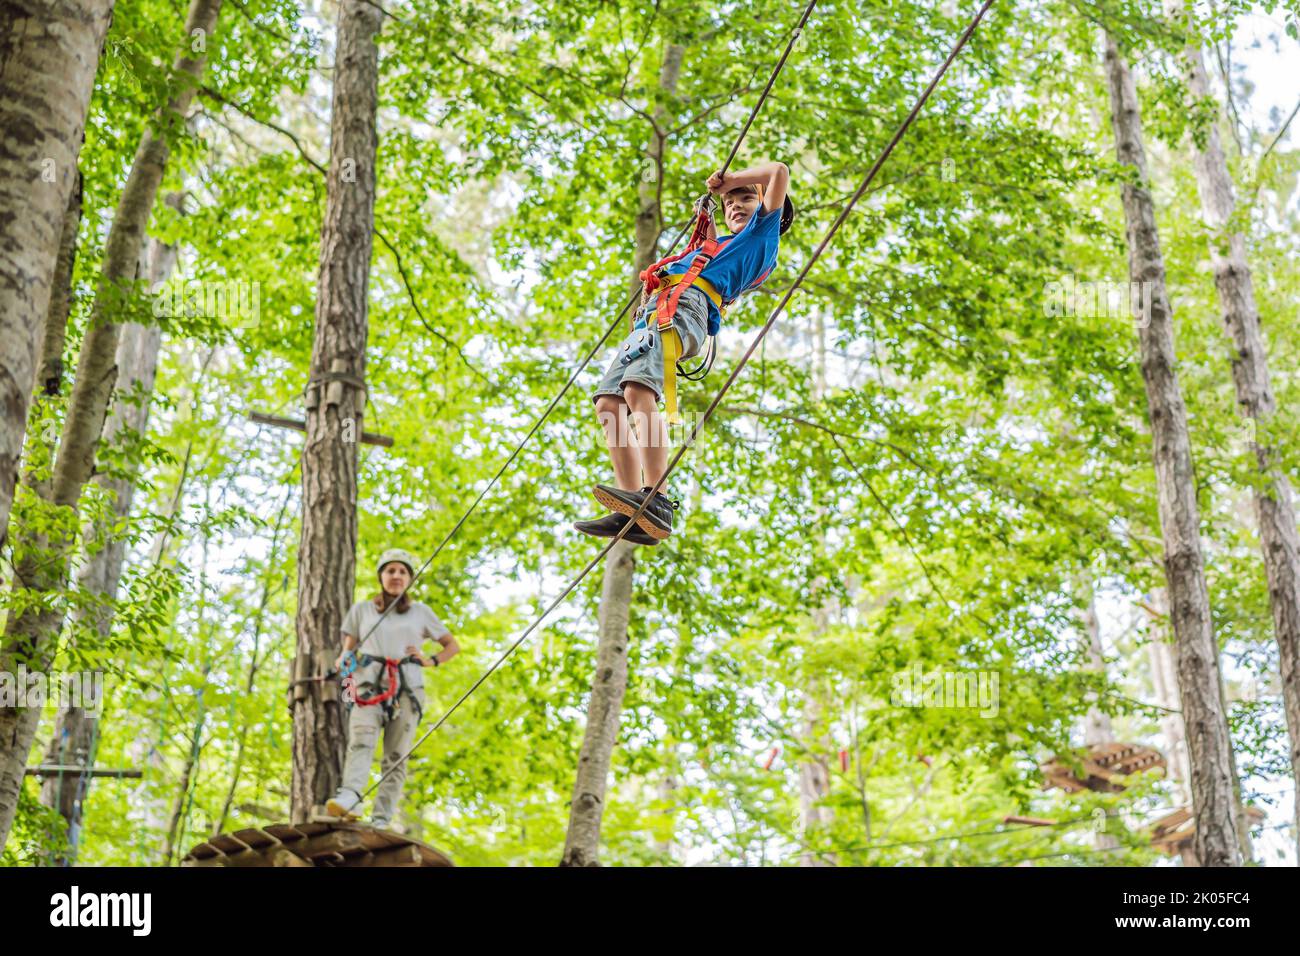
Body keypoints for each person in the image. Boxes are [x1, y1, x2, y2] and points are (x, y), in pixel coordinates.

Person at [577, 160, 793, 545]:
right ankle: (628, 511)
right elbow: (704, 247)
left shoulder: (762, 236)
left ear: (767, 210)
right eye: (730, 203)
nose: (735, 205)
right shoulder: (717, 246)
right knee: (608, 406)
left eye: (746, 198)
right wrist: (706, 225)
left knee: (638, 392)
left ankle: (654, 497)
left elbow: (778, 171)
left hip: (685, 312)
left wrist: (729, 181)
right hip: (652, 319)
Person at [325, 548, 460, 830]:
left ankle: (382, 817)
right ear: (381, 576)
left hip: (407, 689)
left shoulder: (421, 612)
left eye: (402, 571)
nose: (396, 576)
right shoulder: (362, 610)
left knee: (397, 755)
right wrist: (343, 662)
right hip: (367, 686)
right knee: (361, 739)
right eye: (390, 570)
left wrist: (430, 660)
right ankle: (351, 796)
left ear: (410, 578)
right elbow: (347, 651)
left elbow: (452, 645)